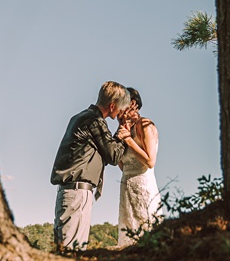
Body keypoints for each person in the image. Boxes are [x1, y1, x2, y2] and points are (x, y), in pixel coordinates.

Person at [50, 81, 131, 252]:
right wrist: (123, 135)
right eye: (120, 108)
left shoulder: (81, 117)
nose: (121, 112)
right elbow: (113, 155)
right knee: (72, 251)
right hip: (77, 193)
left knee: (65, 249)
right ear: (112, 106)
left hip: (70, 192)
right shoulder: (94, 121)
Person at [116, 87, 160, 248]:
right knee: (128, 236)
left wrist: (128, 139)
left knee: (146, 232)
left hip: (144, 187)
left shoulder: (145, 125)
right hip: (126, 188)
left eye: (119, 103)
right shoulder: (122, 130)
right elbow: (123, 165)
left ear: (132, 104)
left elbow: (150, 161)